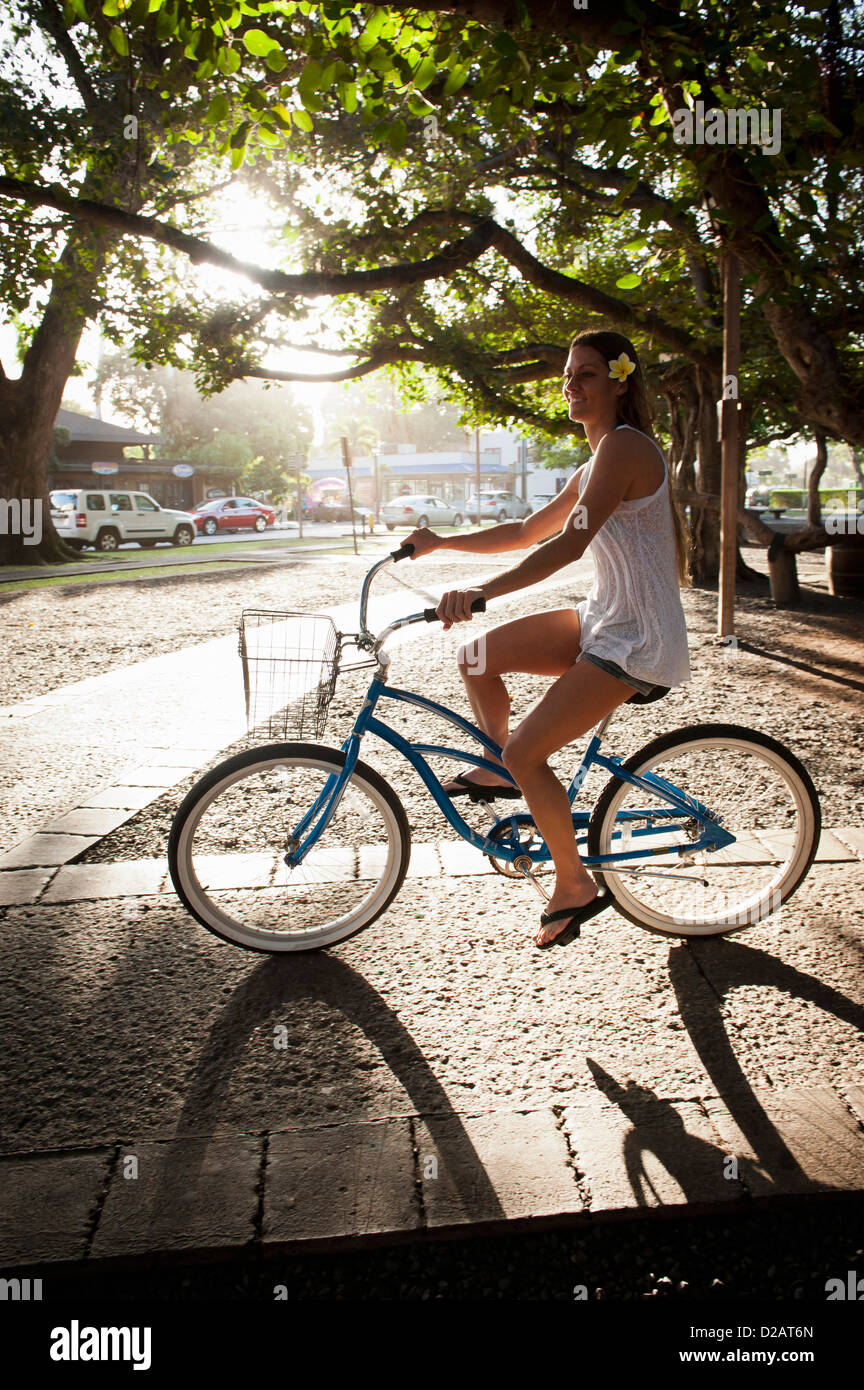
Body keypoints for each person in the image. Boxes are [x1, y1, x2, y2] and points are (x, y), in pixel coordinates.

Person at [403, 329, 691, 948]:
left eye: (586, 374)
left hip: (636, 640)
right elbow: (531, 529)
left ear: (619, 381)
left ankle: (574, 882)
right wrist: (441, 544)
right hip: (602, 620)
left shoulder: (626, 448)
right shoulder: (594, 463)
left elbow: (569, 544)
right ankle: (498, 766)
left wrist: (482, 593)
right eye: (568, 374)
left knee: (527, 751)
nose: (572, 385)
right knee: (475, 655)